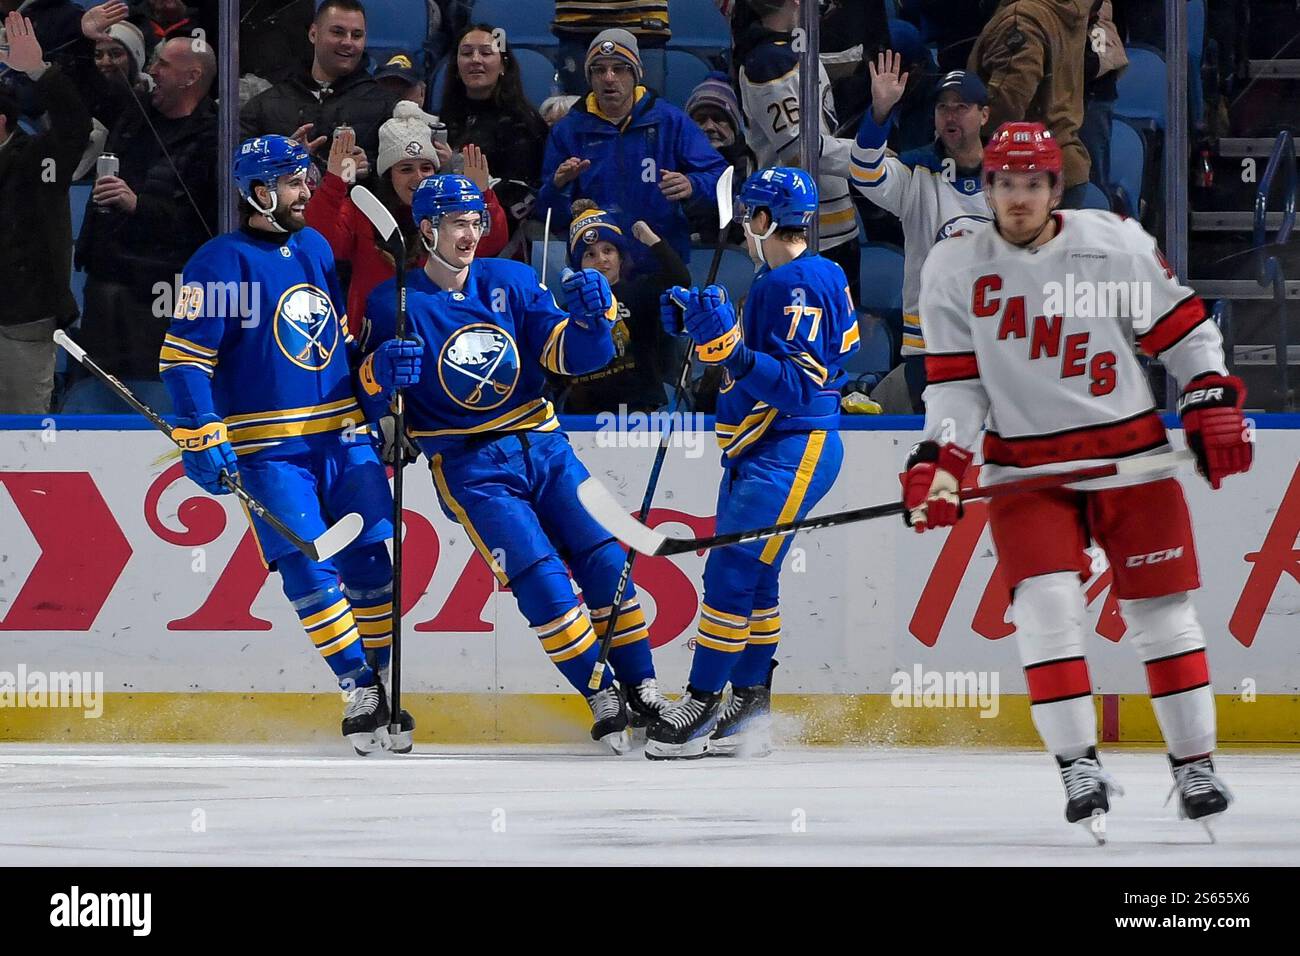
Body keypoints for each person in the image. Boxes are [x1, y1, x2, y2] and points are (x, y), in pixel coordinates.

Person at [904, 121, 1252, 830]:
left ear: (1055, 187)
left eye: (1033, 184)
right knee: (1047, 611)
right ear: (989, 187)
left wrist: (1209, 393)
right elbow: (955, 387)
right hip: (1025, 467)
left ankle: (1194, 769)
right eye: (1006, 184)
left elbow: (1182, 331)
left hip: (1131, 456)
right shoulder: (954, 267)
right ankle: (1078, 765)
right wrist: (941, 458)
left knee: (1162, 616)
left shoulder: (1110, 242)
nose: (1019, 198)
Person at [360, 174, 670, 754]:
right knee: (539, 577)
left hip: (545, 445)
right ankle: (601, 693)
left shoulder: (513, 279)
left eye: (477, 221)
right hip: (469, 464)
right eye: (458, 223)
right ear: (427, 229)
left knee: (604, 558)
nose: (472, 233)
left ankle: (645, 689)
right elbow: (371, 400)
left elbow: (573, 358)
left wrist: (590, 323)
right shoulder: (392, 302)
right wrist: (380, 377)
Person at [158, 134, 422, 754]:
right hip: (269, 450)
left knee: (369, 567)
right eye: (295, 182)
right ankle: (358, 686)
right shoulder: (217, 263)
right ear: (258, 191)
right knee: (306, 564)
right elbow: (184, 358)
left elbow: (327, 341)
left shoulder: (313, 247)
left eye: (307, 180)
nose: (306, 192)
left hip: (343, 439)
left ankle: (381, 680)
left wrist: (379, 384)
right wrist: (200, 430)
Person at [646, 167, 859, 759]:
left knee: (731, 575)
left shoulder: (788, 284)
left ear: (766, 219)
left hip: (791, 444)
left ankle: (700, 702)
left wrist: (729, 350)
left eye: (750, 214)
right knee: (756, 578)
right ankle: (748, 705)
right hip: (768, 446)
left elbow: (794, 384)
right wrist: (703, 322)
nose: (744, 225)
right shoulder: (807, 274)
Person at [74, 35, 217, 381]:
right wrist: (86, 37)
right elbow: (88, 90)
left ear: (191, 77)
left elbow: (204, 225)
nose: (152, 71)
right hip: (104, 282)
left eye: (163, 64)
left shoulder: (215, 139)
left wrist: (138, 205)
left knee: (152, 393)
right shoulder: (135, 113)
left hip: (159, 293)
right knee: (97, 394)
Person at [850, 60, 993, 405]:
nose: (950, 115)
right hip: (928, 345)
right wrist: (880, 114)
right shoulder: (916, 172)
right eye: (943, 107)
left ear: (984, 115)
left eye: (962, 107)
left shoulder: (1010, 177)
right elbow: (865, 172)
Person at [305, 100, 507, 335]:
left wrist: (482, 197)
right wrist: (334, 184)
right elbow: (326, 243)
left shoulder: (452, 213)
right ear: (388, 175)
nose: (418, 178)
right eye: (406, 169)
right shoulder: (363, 210)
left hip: (437, 334)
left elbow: (491, 243)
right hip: (374, 336)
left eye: (426, 168)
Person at [537, 28, 727, 276]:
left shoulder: (669, 121)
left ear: (637, 74)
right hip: (597, 270)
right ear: (589, 77)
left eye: (619, 69)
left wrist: (693, 184)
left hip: (661, 264)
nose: (609, 78)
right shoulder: (569, 130)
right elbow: (547, 213)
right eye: (599, 70)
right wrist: (558, 186)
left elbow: (723, 178)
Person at [735, 0, 861, 300]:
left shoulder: (790, 49)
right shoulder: (767, 64)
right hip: (795, 228)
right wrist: (866, 156)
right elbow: (799, 150)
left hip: (830, 220)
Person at [0, 9, 90, 414]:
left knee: (24, 436)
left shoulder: (38, 157)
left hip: (23, 322)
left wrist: (40, 71)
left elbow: (75, 126)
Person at [240, 0, 398, 179]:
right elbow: (238, 173)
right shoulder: (264, 106)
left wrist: (370, 166)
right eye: (337, 32)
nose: (348, 42)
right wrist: (283, 160)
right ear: (313, 33)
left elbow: (404, 180)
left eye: (356, 35)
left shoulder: (386, 106)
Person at [560, 199, 690, 414]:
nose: (601, 260)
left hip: (639, 408)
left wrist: (651, 240)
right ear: (577, 265)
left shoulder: (640, 292)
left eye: (608, 250)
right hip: (584, 416)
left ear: (621, 257)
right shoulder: (567, 311)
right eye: (589, 254)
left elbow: (680, 278)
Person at [968, 0, 1093, 207]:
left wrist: (965, 123)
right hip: (1063, 163)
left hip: (1027, 172)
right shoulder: (1065, 7)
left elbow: (1007, 103)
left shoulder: (1022, 18)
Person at [437, 23, 549, 244]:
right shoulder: (442, 119)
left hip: (497, 240)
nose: (475, 60)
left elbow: (523, 199)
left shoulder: (524, 123)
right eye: (467, 53)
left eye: (486, 53)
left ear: (503, 65)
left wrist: (457, 170)